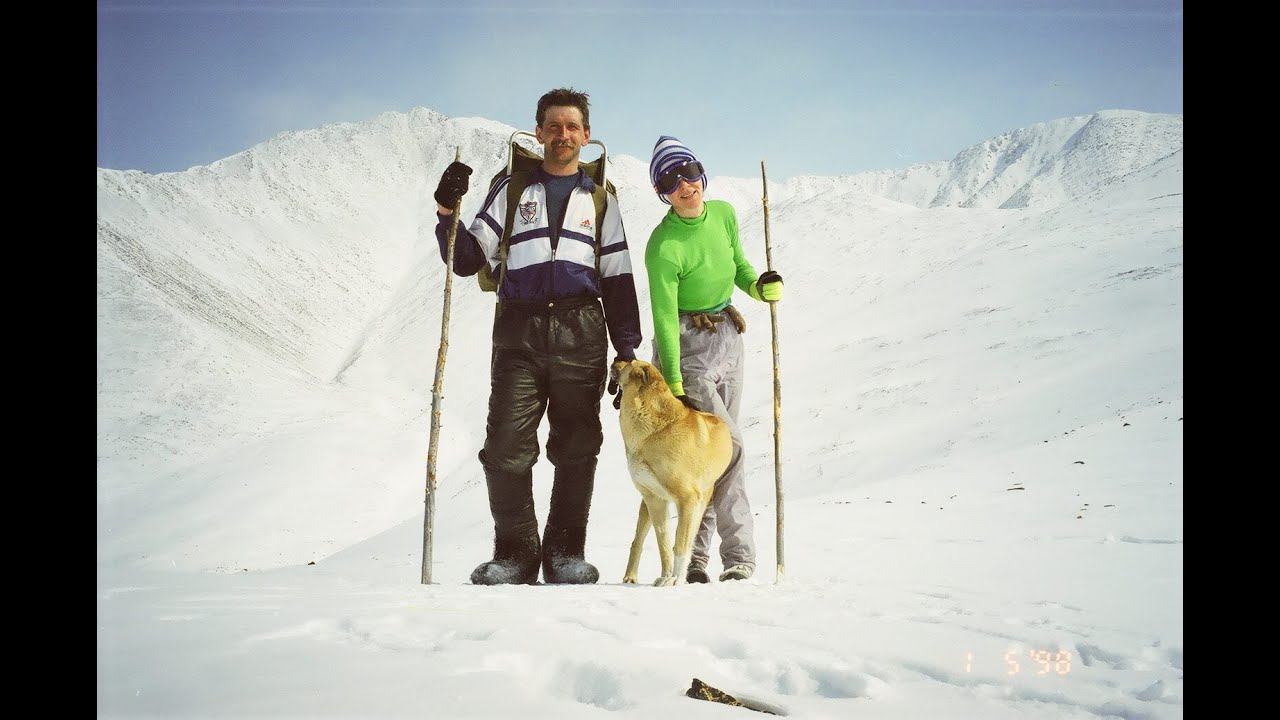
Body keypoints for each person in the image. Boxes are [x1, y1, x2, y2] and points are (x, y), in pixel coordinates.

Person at [431, 88, 642, 585]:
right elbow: (466, 260)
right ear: (538, 130)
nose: (563, 135)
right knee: (505, 444)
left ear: (586, 135)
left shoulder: (600, 198)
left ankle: (565, 553)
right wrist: (447, 211)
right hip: (518, 330)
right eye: (553, 125)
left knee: (577, 445)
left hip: (582, 331)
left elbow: (617, 276)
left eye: (572, 126)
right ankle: (517, 554)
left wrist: (627, 348)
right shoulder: (509, 190)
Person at [643, 136, 784, 583]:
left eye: (689, 172)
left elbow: (738, 265)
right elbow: (664, 317)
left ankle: (696, 559)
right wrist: (674, 380)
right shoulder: (663, 246)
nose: (685, 184)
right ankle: (740, 557)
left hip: (728, 335)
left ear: (701, 174)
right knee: (731, 450)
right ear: (662, 192)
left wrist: (760, 288)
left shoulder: (722, 215)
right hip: (686, 347)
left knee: (707, 457)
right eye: (671, 179)